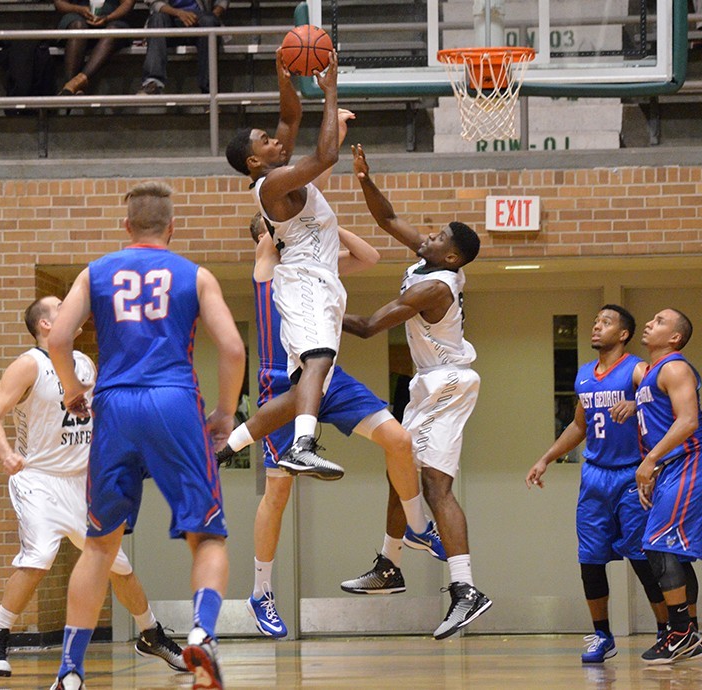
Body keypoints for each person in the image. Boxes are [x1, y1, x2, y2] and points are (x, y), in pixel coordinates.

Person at [47, 182, 244, 690]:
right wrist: (225, 412)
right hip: (174, 401)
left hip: (115, 404)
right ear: (171, 228)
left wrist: (71, 389)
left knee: (99, 546)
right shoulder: (195, 275)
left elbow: (59, 337)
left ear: (126, 226)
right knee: (207, 535)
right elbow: (233, 349)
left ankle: (70, 672)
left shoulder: (96, 272)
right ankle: (202, 634)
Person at [218, 212, 439, 639]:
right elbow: (271, 232)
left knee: (399, 439)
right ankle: (261, 593)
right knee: (278, 493)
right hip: (282, 381)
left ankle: (417, 528)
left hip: (330, 377)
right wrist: (288, 219)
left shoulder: (317, 262)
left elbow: (369, 256)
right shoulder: (269, 261)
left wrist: (326, 222)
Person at [0, 296, 185, 677]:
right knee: (39, 557)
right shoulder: (29, 365)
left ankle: (151, 635)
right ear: (44, 324)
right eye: (60, 306)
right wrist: (6, 453)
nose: (70, 307)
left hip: (82, 483)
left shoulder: (85, 363)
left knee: (119, 566)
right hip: (38, 479)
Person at [335, 143, 492, 640]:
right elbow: (388, 219)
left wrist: (316, 308)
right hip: (430, 383)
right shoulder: (430, 261)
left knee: (434, 488)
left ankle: (466, 589)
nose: (428, 236)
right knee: (399, 468)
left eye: (438, 237)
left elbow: (367, 327)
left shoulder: (435, 286)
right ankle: (390, 564)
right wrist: (365, 179)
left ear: (451, 256)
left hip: (447, 381)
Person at [223, 47, 345, 481]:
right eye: (266, 141)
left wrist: (285, 75)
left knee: (300, 394)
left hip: (319, 281)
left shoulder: (274, 169)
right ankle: (302, 447)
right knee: (319, 359)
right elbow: (326, 156)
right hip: (305, 279)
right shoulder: (273, 183)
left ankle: (224, 448)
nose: (276, 141)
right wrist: (329, 92)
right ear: (254, 161)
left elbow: (291, 119)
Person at [525, 305, 670, 663]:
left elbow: (664, 399)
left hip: (631, 474)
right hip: (594, 476)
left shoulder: (637, 369)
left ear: (623, 334)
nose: (596, 326)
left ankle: (667, 631)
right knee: (590, 559)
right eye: (595, 321)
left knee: (643, 558)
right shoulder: (584, 375)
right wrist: (545, 458)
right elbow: (579, 425)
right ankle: (602, 636)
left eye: (606, 323)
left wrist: (636, 404)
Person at [631, 308, 702, 664]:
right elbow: (660, 421)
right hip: (673, 467)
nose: (649, 322)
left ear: (675, 338)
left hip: (693, 461)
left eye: (659, 321)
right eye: (651, 318)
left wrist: (650, 461)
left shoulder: (675, 367)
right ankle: (690, 634)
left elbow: (687, 422)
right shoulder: (652, 373)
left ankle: (680, 633)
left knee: (657, 545)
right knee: (674, 553)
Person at [137, 0, 227, 95]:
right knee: (157, 18)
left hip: (199, 18)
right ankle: (152, 84)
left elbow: (222, 1)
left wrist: (213, 16)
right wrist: (179, 13)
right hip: (169, 17)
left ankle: (209, 91)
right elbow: (154, 2)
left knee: (209, 21)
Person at [54, 0, 136, 95]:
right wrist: (78, 9)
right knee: (78, 26)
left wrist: (108, 18)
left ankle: (73, 84)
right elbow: (59, 2)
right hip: (77, 16)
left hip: (113, 18)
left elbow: (127, 3)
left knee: (114, 31)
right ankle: (70, 85)